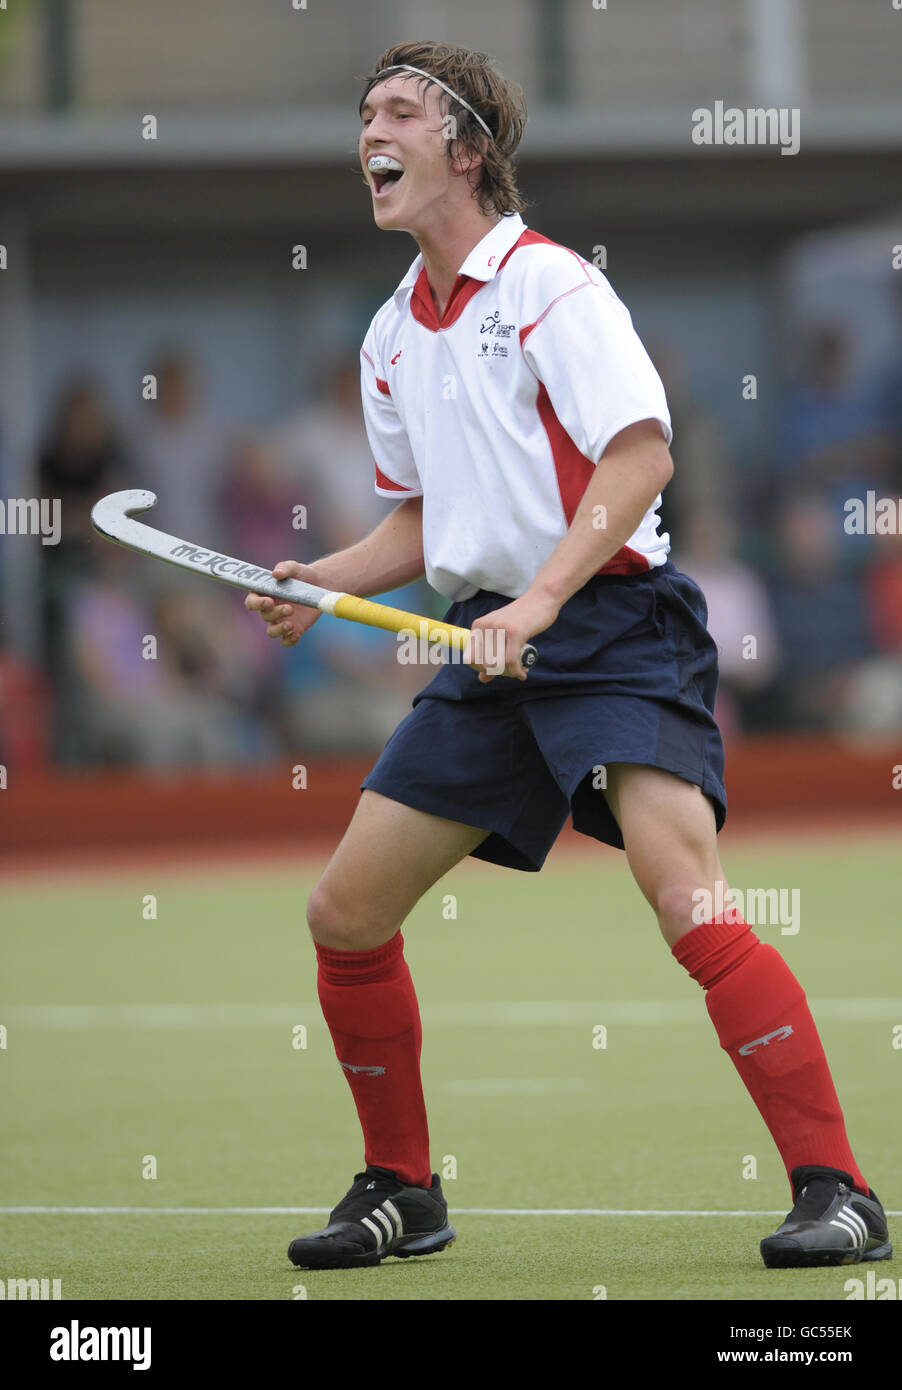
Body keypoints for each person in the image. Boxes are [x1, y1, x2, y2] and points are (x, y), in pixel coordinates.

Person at [246, 41, 891, 1273]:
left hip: (609, 623)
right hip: (491, 634)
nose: (366, 136)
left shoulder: (555, 291)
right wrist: (322, 583)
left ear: (466, 148)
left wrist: (540, 599)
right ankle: (403, 1189)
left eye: (394, 114)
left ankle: (838, 1190)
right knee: (344, 911)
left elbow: (637, 457)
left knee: (680, 894)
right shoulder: (392, 331)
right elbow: (429, 517)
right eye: (361, 115)